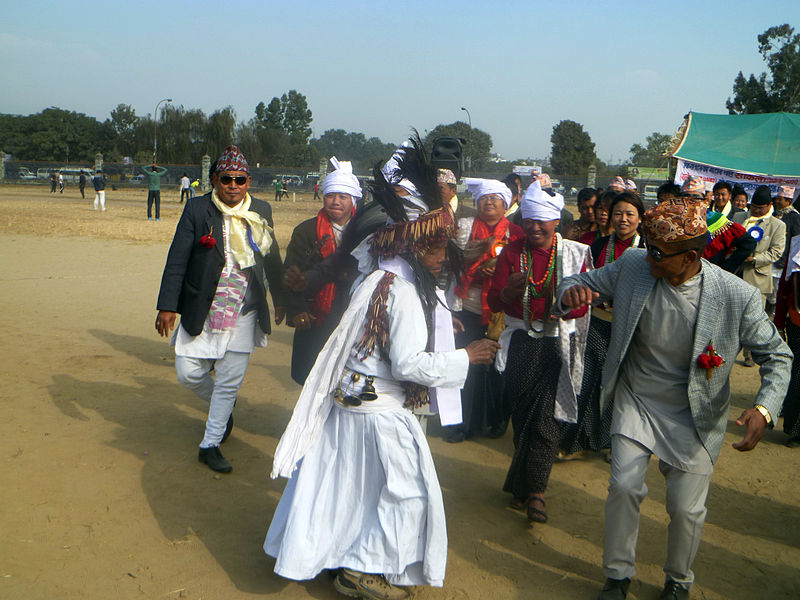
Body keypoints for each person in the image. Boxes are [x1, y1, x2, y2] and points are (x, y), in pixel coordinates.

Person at [265, 136, 499, 599]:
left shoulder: (376, 275)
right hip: (380, 411)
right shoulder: (404, 291)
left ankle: (333, 556)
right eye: (436, 250)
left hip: (348, 405)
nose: (441, 258)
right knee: (406, 493)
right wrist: (464, 357)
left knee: (346, 489)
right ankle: (364, 573)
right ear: (415, 247)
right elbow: (411, 364)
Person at [556, 197, 791, 600]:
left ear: (691, 257)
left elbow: (779, 355)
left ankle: (678, 582)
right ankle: (617, 578)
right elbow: (578, 283)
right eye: (647, 249)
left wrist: (764, 408)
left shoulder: (737, 296)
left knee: (685, 509)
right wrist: (571, 293)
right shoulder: (633, 267)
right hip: (637, 399)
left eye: (659, 255)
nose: (649, 260)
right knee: (624, 488)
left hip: (695, 413)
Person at [154, 145, 283, 473]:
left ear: (249, 182)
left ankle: (210, 443)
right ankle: (222, 406)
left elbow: (271, 258)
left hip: (245, 308)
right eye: (227, 179)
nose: (233, 185)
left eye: (240, 179)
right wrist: (168, 305)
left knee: (228, 381)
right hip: (204, 305)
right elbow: (178, 258)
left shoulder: (262, 210)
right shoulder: (198, 210)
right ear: (215, 180)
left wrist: (281, 298)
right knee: (188, 373)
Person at [487, 180, 591, 524]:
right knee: (523, 419)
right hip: (521, 344)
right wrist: (507, 294)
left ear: (555, 221)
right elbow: (493, 300)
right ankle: (523, 483)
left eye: (541, 221)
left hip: (559, 344)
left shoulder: (575, 254)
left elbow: (583, 304)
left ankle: (536, 493)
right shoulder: (512, 253)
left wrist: (563, 306)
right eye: (528, 220)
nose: (533, 227)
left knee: (547, 419)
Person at [560, 192, 644, 458]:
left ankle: (611, 443)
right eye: (618, 213)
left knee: (621, 385)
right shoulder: (597, 247)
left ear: (640, 218)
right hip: (597, 322)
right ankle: (574, 443)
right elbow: (584, 280)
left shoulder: (647, 251)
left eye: (630, 214)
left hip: (631, 328)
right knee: (587, 380)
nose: (623, 220)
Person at [443, 178, 524, 442]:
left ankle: (494, 421)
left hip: (499, 310)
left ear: (505, 204)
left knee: (495, 367)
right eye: (484, 199)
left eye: (494, 199)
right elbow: (448, 262)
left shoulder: (515, 233)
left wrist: (499, 270)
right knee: (463, 365)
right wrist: (472, 264)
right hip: (465, 304)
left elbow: (523, 268)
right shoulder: (463, 227)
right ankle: (459, 424)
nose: (489, 203)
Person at [282, 157, 360, 385]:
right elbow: (291, 273)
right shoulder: (306, 231)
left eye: (343, 197)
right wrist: (297, 309)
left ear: (353, 200)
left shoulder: (365, 232)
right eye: (330, 196)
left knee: (345, 380)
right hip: (315, 316)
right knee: (310, 379)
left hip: (350, 316)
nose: (336, 202)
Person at [733, 185, 786, 365]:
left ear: (769, 205)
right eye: (753, 206)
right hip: (735, 274)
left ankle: (749, 354)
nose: (755, 210)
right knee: (731, 316)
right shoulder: (739, 217)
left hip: (757, 276)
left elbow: (776, 252)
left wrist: (755, 258)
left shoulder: (778, 225)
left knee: (753, 319)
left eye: (760, 208)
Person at [774, 233, 800, 447]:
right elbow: (784, 287)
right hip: (798, 321)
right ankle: (797, 429)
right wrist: (779, 323)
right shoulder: (797, 244)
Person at [770, 185, 800, 313]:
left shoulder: (795, 217)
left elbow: (796, 241)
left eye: (780, 199)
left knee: (779, 292)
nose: (777, 202)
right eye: (776, 199)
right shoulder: (774, 214)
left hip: (784, 261)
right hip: (771, 258)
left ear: (788, 201)